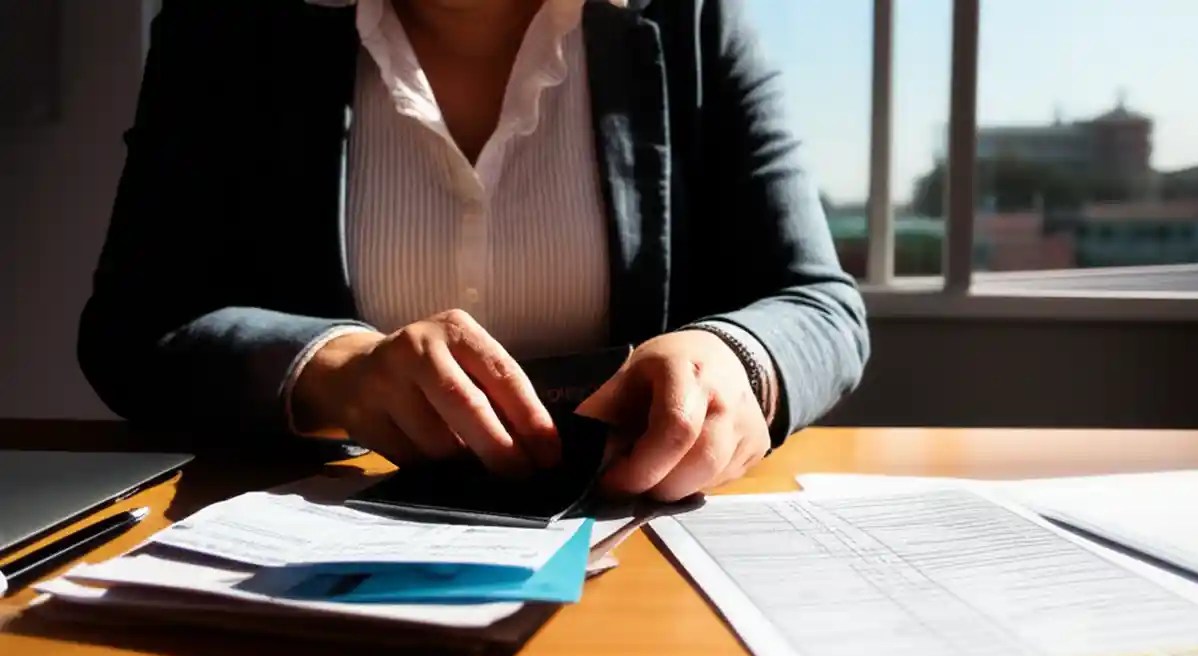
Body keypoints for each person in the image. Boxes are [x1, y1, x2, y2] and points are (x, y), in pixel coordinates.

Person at [78, 0, 869, 501]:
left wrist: (738, 360)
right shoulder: (225, 27)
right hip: (318, 569)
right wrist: (337, 372)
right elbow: (134, 327)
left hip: (639, 564)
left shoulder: (692, 20)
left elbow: (819, 306)